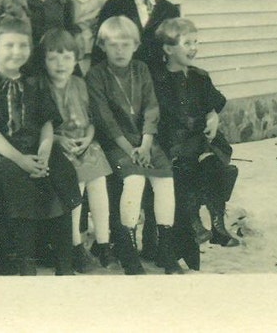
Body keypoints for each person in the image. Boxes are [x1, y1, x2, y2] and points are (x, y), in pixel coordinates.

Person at [0, 15, 82, 276]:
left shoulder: (34, 80)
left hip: (36, 148)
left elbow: (47, 122)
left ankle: (65, 261)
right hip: (4, 152)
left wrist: (44, 153)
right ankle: (25, 261)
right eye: (9, 45)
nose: (16, 52)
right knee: (18, 180)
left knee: (62, 171)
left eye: (23, 46)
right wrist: (20, 159)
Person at [86, 16, 183, 274]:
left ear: (136, 45)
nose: (120, 51)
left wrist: (147, 143)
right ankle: (128, 249)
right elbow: (105, 118)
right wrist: (131, 150)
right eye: (113, 45)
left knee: (165, 180)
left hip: (145, 141)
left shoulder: (141, 69)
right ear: (102, 46)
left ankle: (166, 247)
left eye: (125, 45)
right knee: (135, 179)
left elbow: (151, 106)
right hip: (116, 143)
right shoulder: (96, 75)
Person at [151, 18, 240, 263]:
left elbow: (214, 104)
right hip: (174, 141)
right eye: (187, 43)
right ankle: (193, 220)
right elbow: (164, 118)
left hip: (201, 139)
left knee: (217, 166)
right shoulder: (159, 81)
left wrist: (212, 116)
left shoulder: (200, 77)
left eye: (196, 42)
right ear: (168, 49)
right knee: (187, 170)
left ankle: (217, 223)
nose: (194, 48)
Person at [35, 28, 114, 272]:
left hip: (85, 144)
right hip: (60, 147)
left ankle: (103, 241)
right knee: (75, 187)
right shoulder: (40, 87)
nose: (61, 64)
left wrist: (89, 138)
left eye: (67, 58)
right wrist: (58, 139)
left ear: (76, 59)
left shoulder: (80, 84)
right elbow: (40, 127)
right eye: (53, 58)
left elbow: (92, 120)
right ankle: (75, 244)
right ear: (43, 60)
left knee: (98, 183)